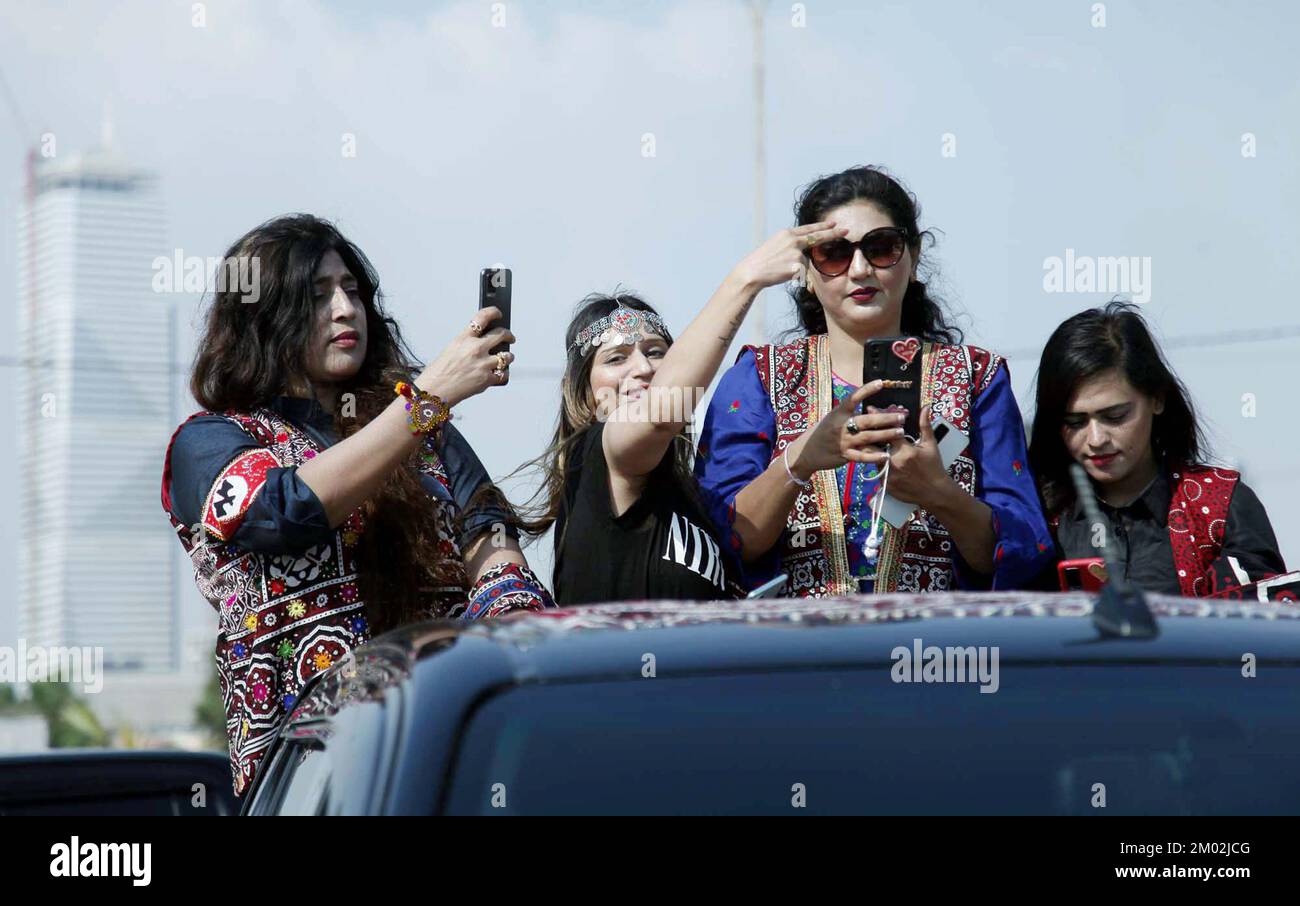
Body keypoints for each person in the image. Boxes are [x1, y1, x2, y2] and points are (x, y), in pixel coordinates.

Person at [161, 214, 551, 795]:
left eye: (352, 291)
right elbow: (283, 511)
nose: (345, 310)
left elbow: (489, 535)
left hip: (444, 759)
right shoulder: (209, 441)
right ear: (263, 319)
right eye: (317, 297)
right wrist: (428, 398)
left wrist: (507, 622)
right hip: (309, 781)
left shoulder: (426, 432)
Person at [695, 165, 1053, 596]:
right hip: (800, 653)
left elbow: (1023, 550)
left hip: (933, 652)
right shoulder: (761, 378)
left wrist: (940, 494)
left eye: (881, 248)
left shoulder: (976, 378)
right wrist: (799, 461)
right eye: (833, 253)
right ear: (807, 273)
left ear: (914, 258)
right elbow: (723, 543)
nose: (860, 269)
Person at [518, 224, 845, 603]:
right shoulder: (597, 458)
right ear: (583, 393)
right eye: (616, 359)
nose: (642, 367)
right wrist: (747, 279)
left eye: (656, 352)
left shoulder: (693, 500)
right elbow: (663, 411)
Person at [1028, 301, 1286, 596]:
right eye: (1075, 422)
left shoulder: (1221, 507)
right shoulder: (1036, 518)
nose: (1096, 438)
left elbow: (1261, 631)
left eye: (1115, 417)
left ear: (1157, 399)